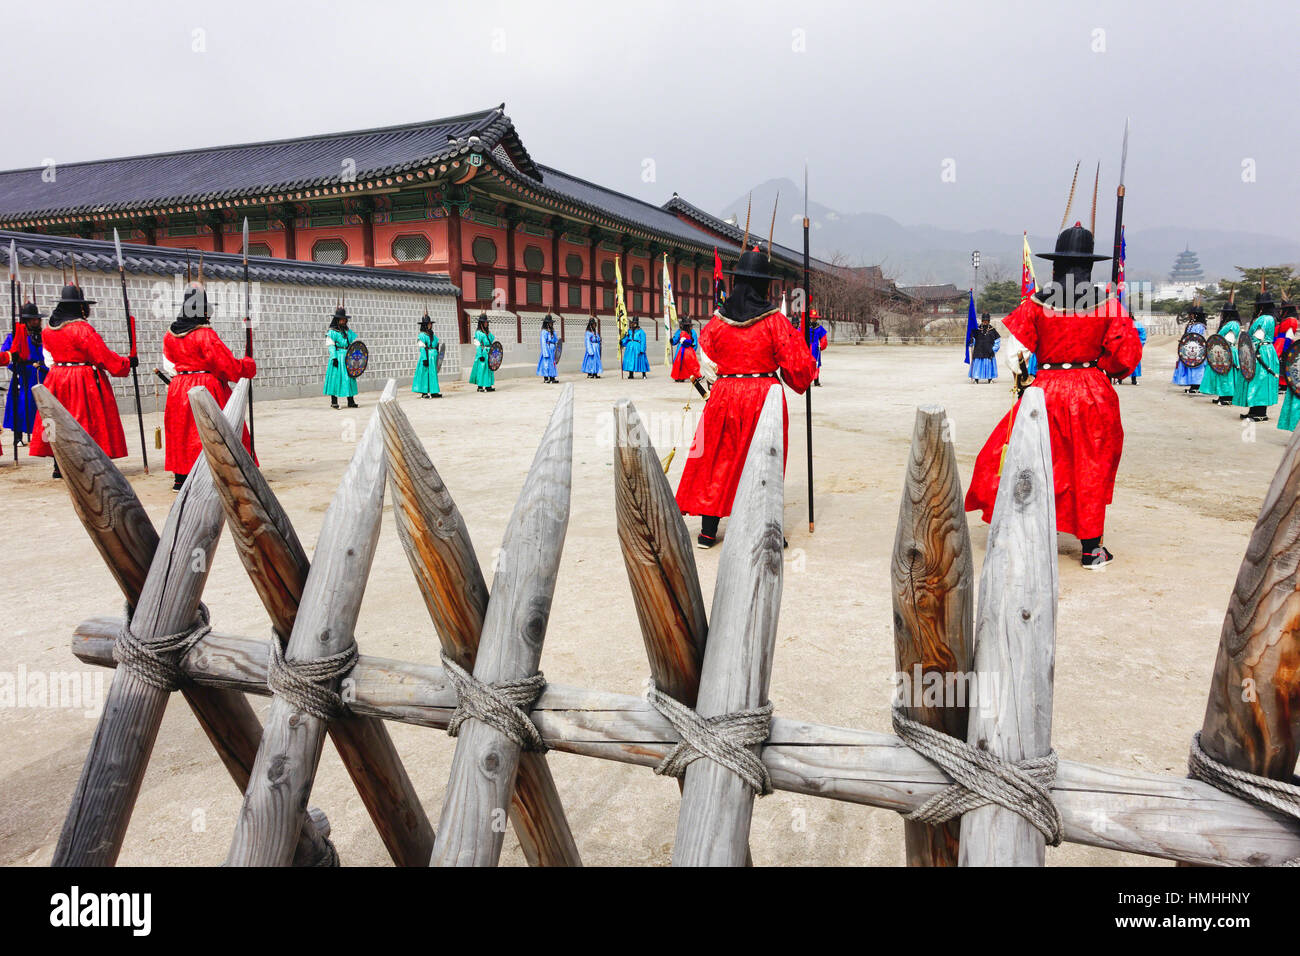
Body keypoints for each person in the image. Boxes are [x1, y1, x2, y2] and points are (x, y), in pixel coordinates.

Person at [964, 221, 1142, 570]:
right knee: (1089, 465)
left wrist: (1026, 380)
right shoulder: (1109, 305)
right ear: (1089, 266)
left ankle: (1024, 531)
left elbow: (1013, 352)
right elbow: (1125, 358)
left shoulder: (1036, 303)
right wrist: (1101, 368)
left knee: (1028, 458)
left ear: (1057, 264)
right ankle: (1091, 548)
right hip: (1093, 391)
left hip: (1044, 391)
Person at [675, 247, 818, 548]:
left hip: (724, 395)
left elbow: (705, 358)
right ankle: (767, 528)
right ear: (763, 285)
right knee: (764, 459)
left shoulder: (717, 322)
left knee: (718, 458)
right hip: (764, 396)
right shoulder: (774, 322)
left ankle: (708, 530)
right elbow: (799, 370)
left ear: (738, 282)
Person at [30, 281, 133, 478]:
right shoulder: (82, 329)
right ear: (80, 307)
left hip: (56, 377)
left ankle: (59, 464)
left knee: (57, 420)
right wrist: (125, 363)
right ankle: (86, 462)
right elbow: (101, 356)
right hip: (81, 379)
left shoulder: (48, 330)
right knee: (85, 420)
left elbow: (48, 356)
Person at [162, 282, 257, 491]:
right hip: (206, 385)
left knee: (182, 432)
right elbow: (225, 365)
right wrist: (246, 366)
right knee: (214, 429)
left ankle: (182, 476)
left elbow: (168, 364)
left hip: (179, 388)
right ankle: (221, 471)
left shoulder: (169, 335)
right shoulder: (205, 334)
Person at [3, 300, 48, 446]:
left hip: (42, 373)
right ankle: (18, 436)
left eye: (37, 319)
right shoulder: (15, 335)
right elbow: (6, 354)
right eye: (32, 319)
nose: (35, 322)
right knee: (21, 405)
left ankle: (45, 436)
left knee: (44, 407)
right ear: (26, 321)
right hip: (24, 375)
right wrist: (16, 366)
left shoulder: (45, 335)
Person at [1238, 290, 1280, 423]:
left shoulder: (1265, 319)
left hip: (1261, 351)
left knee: (1260, 381)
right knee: (1255, 380)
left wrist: (1249, 348)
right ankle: (1254, 410)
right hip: (1261, 350)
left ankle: (1260, 412)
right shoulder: (1265, 317)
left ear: (1261, 306)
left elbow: (1258, 337)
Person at [1202, 301, 1241, 407]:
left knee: (1226, 375)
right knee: (1221, 374)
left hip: (1227, 350)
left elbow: (1228, 339)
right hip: (1223, 349)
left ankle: (1228, 397)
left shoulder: (1232, 324)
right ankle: (1222, 395)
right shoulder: (1229, 324)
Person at [324, 306, 359, 409]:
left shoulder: (347, 332)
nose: (343, 321)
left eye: (344, 319)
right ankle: (334, 402)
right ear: (337, 319)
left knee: (349, 378)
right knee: (335, 379)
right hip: (338, 356)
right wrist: (334, 358)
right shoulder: (332, 332)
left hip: (347, 357)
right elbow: (331, 345)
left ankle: (351, 401)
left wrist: (354, 357)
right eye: (341, 319)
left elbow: (352, 345)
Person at [1172, 303, 1207, 394]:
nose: (1190, 315)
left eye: (1191, 314)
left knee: (1197, 367)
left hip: (1197, 349)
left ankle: (1197, 385)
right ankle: (1193, 385)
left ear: (1196, 315)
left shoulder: (1199, 326)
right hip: (1189, 348)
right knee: (1190, 367)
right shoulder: (1191, 325)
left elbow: (1197, 337)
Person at [413, 312, 441, 398]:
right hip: (426, 356)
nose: (430, 325)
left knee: (433, 374)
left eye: (430, 324)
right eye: (428, 324)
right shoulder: (421, 335)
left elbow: (437, 344)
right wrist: (425, 359)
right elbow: (422, 348)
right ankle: (424, 392)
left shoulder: (433, 335)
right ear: (424, 325)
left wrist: (437, 355)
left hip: (433, 357)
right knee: (425, 373)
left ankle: (433, 391)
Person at [967, 312, 1000, 383]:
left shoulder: (992, 330)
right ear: (982, 320)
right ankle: (976, 379)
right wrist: (971, 340)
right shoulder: (977, 329)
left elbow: (997, 341)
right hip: (979, 350)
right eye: (984, 320)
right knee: (978, 365)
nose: (985, 322)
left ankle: (990, 379)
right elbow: (971, 340)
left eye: (986, 320)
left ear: (989, 321)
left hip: (989, 350)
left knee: (988, 365)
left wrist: (993, 350)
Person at [1274, 299, 1298, 394]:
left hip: (1285, 343)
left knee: (1283, 363)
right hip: (1280, 343)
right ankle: (1281, 384)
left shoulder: (1291, 320)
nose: (1280, 311)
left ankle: (1283, 385)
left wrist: (1285, 349)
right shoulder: (1286, 320)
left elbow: (1289, 335)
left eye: (1282, 309)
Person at [670, 313, 701, 382]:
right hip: (680, 350)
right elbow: (676, 339)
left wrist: (692, 349)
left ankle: (693, 375)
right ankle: (679, 376)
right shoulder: (679, 331)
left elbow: (694, 342)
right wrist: (672, 341)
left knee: (690, 364)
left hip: (689, 350)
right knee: (679, 363)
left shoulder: (692, 332)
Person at [470, 313, 497, 392]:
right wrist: (480, 355)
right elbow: (477, 344)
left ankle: (488, 385)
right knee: (482, 369)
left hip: (489, 352)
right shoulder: (478, 333)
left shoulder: (487, 332)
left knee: (489, 369)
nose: (486, 323)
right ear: (481, 323)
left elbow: (491, 340)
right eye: (484, 322)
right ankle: (480, 386)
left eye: (487, 322)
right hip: (483, 352)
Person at [537, 314, 559, 384]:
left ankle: (552, 377)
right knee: (546, 363)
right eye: (549, 322)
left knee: (552, 364)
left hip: (552, 350)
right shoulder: (544, 332)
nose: (551, 324)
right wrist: (545, 352)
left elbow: (556, 340)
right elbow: (543, 342)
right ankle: (546, 378)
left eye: (551, 322)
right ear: (546, 323)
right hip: (547, 349)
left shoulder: (553, 331)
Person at [808, 312, 829, 386]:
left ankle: (816, 380)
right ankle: (807, 381)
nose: (813, 319)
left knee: (816, 365)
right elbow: (798, 334)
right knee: (807, 365)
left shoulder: (819, 328)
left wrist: (822, 346)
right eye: (812, 318)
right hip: (807, 348)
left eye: (814, 318)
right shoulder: (805, 327)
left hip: (815, 348)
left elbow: (824, 338)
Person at [1129, 318, 1147, 385]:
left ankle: (1133, 380)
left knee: (1133, 363)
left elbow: (1142, 336)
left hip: (1132, 346)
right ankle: (1120, 380)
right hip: (1126, 346)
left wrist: (1138, 344)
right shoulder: (1123, 324)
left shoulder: (1137, 325)